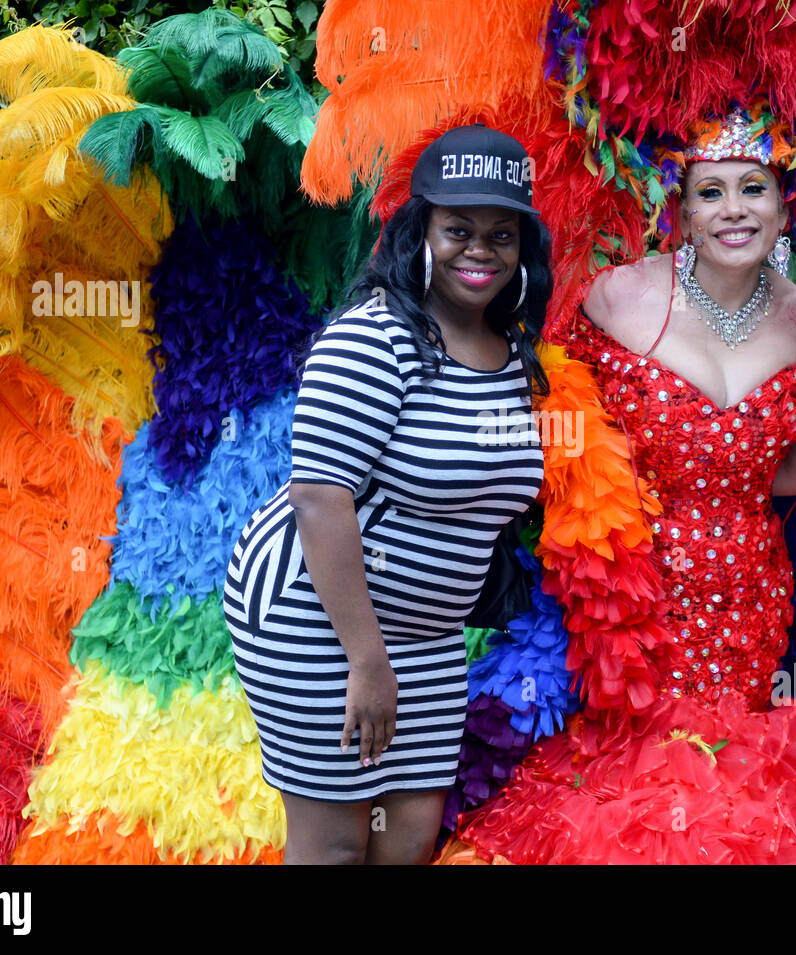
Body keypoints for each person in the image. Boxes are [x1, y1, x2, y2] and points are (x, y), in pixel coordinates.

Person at [442, 111, 796, 864]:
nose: (735, 210)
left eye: (754, 189)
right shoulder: (615, 297)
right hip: (635, 609)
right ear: (683, 209)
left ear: (782, 203)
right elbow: (547, 414)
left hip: (752, 605)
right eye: (711, 192)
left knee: (736, 793)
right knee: (629, 798)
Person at [222, 125, 550, 864]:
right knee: (338, 842)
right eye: (458, 229)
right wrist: (366, 660)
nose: (481, 249)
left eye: (502, 233)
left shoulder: (511, 350)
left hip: (427, 637)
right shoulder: (376, 338)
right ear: (420, 231)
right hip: (316, 616)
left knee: (407, 838)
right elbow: (319, 498)